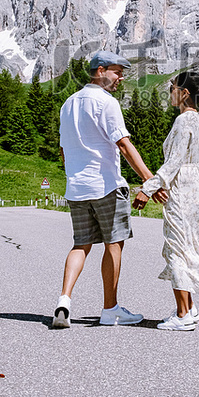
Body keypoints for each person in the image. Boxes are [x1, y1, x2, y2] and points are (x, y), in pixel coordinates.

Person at [52, 51, 166, 328]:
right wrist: (151, 181)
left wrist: (74, 175)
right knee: (114, 244)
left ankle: (64, 300)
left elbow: (64, 150)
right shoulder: (106, 102)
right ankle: (110, 309)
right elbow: (124, 145)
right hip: (105, 185)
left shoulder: (68, 103)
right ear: (100, 70)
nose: (121, 78)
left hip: (77, 188)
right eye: (117, 72)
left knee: (81, 244)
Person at [134, 71, 199, 332]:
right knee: (188, 244)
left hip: (181, 186)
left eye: (171, 87)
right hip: (195, 185)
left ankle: (182, 314)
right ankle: (190, 307)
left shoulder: (183, 121)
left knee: (177, 246)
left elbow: (173, 162)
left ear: (184, 93)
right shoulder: (197, 120)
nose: (169, 92)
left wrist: (148, 188)